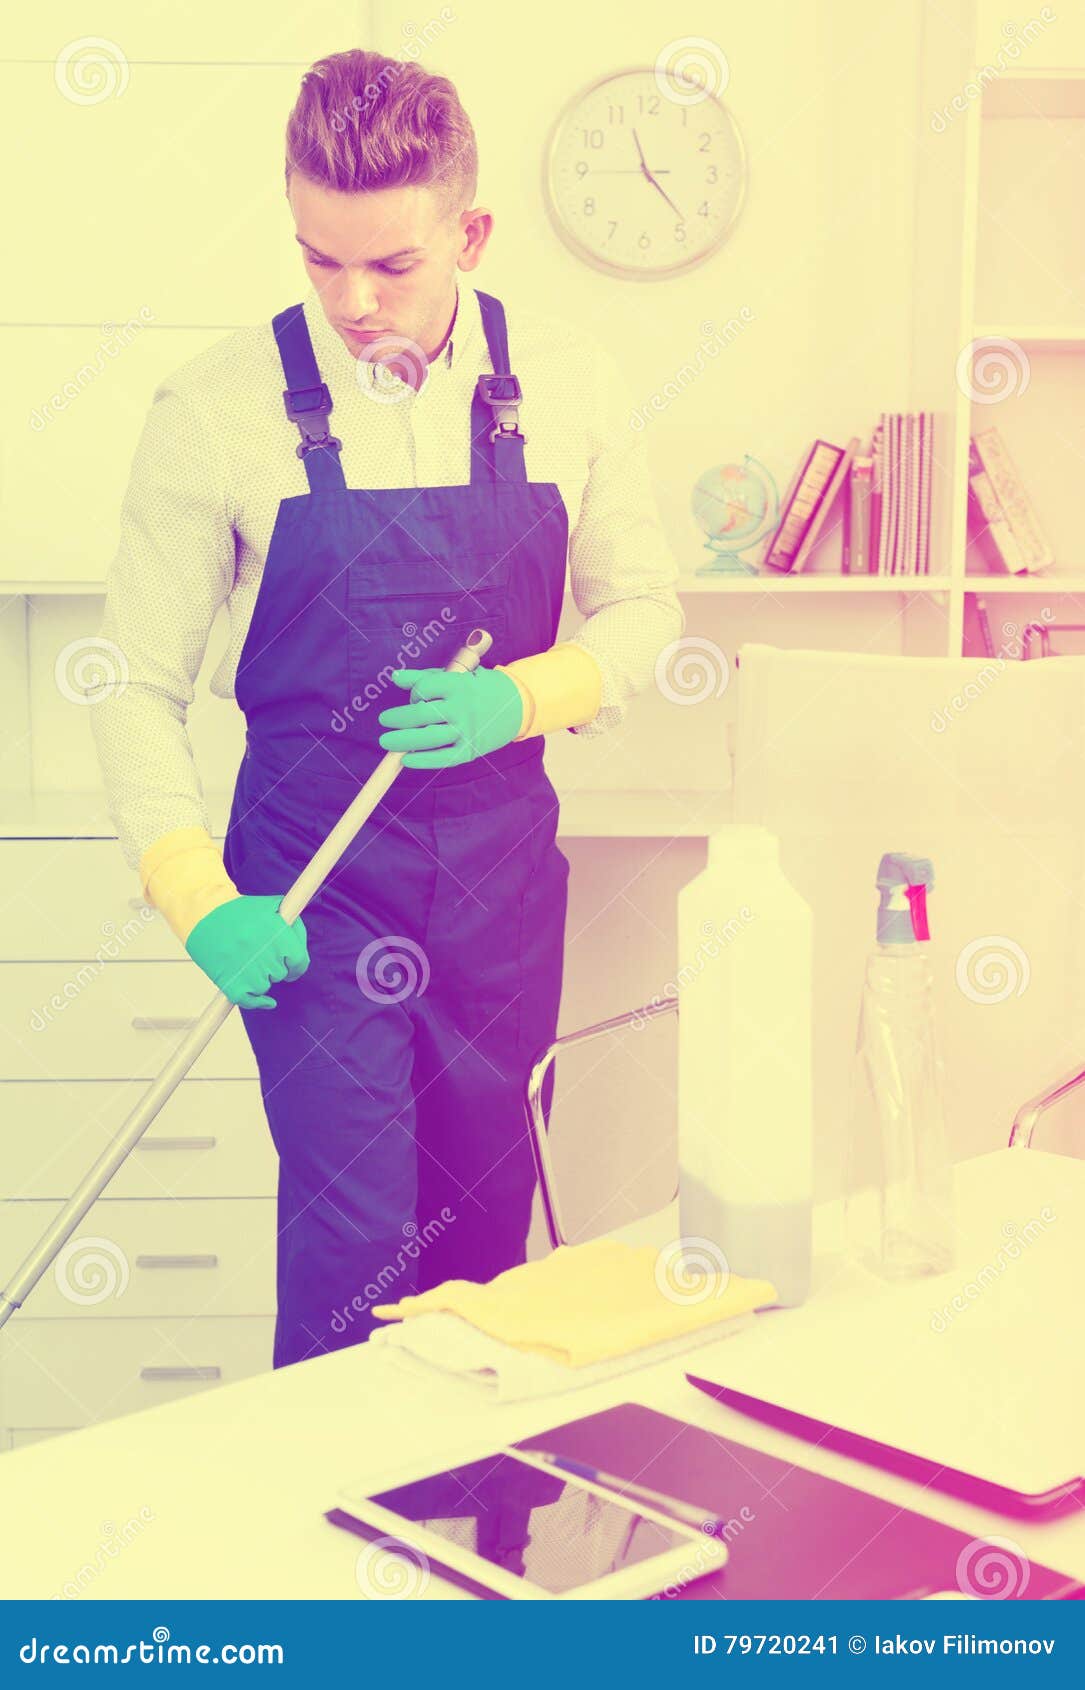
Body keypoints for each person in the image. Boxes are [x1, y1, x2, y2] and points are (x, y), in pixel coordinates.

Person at [92, 47, 683, 1369]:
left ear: (468, 231)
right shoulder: (215, 409)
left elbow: (648, 607)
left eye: (392, 265)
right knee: (354, 1246)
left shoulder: (575, 385)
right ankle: (324, 1561)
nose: (353, 301)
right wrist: (197, 893)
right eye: (319, 259)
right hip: (311, 897)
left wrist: (525, 694)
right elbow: (129, 681)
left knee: (484, 1255)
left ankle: (487, 1540)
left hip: (497, 891)